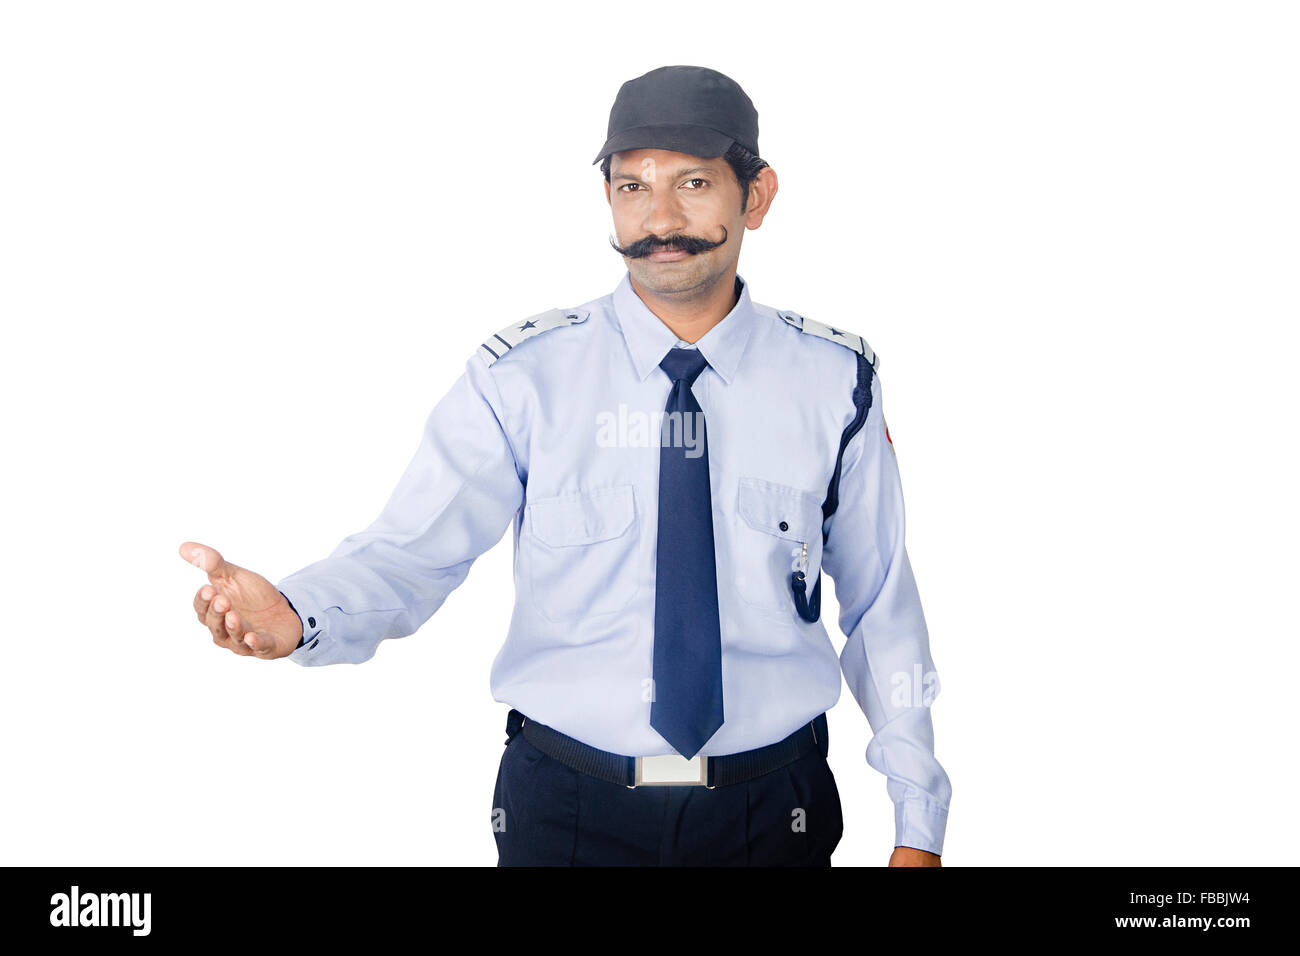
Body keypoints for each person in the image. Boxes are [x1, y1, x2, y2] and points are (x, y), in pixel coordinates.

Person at [179, 64, 951, 867]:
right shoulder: (522, 379)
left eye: (693, 182)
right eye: (631, 187)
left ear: (755, 196)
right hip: (568, 811)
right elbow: (410, 553)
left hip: (771, 811)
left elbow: (881, 609)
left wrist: (917, 821)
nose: (661, 218)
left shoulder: (834, 384)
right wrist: (299, 614)